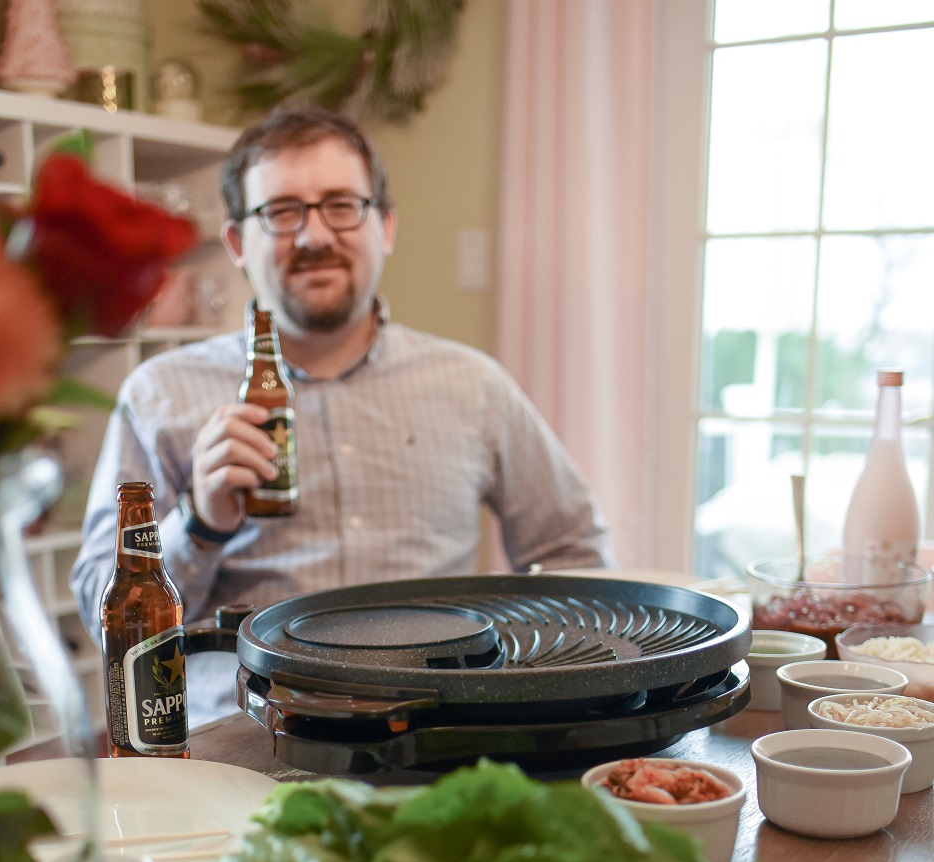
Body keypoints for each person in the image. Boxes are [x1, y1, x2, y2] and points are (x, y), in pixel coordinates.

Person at [71, 105, 614, 725]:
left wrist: (520, 679)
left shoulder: (474, 386)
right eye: (281, 212)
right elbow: (100, 616)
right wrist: (199, 523)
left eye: (341, 205)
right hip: (243, 746)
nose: (314, 236)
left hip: (442, 735)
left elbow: (574, 553)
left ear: (384, 226)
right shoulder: (157, 395)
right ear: (235, 244)